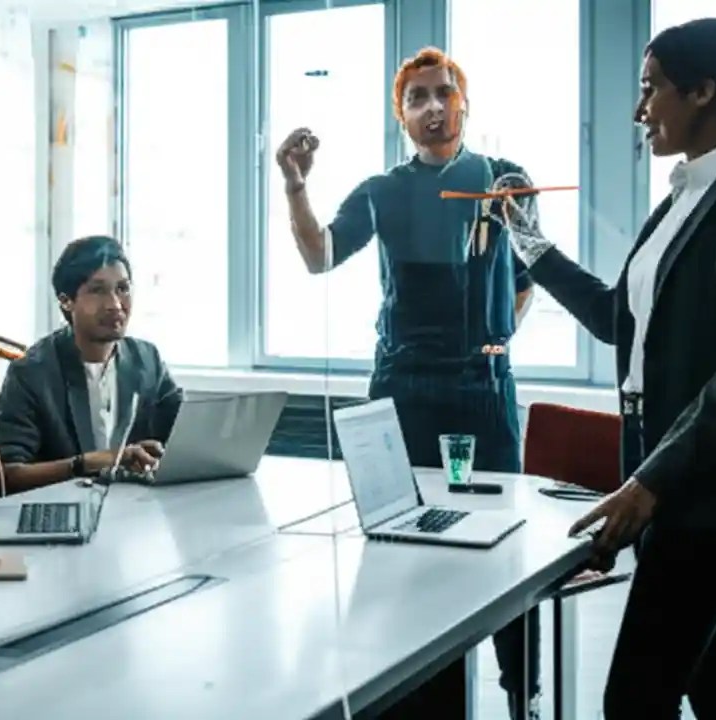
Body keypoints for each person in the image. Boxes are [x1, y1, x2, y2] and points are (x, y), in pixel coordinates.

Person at [501, 18, 716, 719]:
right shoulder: (679, 199)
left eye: (651, 90)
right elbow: (621, 317)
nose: (640, 110)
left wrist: (648, 483)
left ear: (703, 91)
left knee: (635, 696)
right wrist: (532, 246)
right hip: (668, 461)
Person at [275, 47, 541, 718]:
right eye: (416, 97)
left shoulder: (505, 178)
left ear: (464, 103)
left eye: (442, 93)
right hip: (401, 388)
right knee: (401, 549)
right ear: (402, 115)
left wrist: (497, 332)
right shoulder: (382, 191)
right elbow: (319, 256)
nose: (431, 106)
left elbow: (535, 272)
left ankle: (524, 697)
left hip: (484, 387)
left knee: (504, 547)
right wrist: (294, 184)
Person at [0, 235, 182, 491]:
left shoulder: (147, 359)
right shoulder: (31, 372)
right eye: (97, 290)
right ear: (65, 300)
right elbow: (7, 474)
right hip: (61, 514)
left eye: (123, 289)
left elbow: (183, 435)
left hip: (133, 510)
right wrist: (91, 462)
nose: (115, 305)